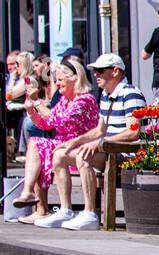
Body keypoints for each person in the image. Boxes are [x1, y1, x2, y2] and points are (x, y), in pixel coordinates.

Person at [37, 53, 146, 230]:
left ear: (116, 72)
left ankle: (89, 214)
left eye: (101, 71)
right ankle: (66, 210)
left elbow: (133, 132)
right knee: (59, 155)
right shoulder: (105, 95)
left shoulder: (130, 94)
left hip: (127, 153)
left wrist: (98, 143)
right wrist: (75, 141)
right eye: (95, 71)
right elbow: (99, 130)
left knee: (84, 155)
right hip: (110, 149)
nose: (96, 75)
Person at [11, 59, 100, 223]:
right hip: (63, 146)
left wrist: (37, 102)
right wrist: (31, 108)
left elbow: (60, 121)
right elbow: (45, 124)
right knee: (36, 143)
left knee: (41, 148)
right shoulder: (65, 100)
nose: (57, 84)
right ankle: (33, 198)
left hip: (80, 148)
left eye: (60, 80)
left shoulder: (85, 100)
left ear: (74, 78)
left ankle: (40, 204)